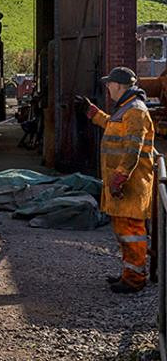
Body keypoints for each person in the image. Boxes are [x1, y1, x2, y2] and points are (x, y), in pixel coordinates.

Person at [75, 66, 156, 293]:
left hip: (130, 184)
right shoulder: (126, 108)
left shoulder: (135, 111)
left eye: (109, 83)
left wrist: (120, 177)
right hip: (124, 184)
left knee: (131, 233)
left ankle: (135, 279)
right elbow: (113, 125)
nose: (107, 87)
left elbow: (132, 149)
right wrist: (93, 112)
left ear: (119, 86)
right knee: (124, 232)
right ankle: (129, 273)